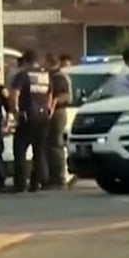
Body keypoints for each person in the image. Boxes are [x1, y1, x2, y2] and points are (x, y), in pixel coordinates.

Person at [8, 49, 51, 192]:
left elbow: (14, 93)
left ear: (25, 61)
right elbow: (50, 93)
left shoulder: (23, 75)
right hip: (43, 116)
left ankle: (20, 184)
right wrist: (48, 109)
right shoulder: (45, 74)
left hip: (27, 115)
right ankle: (35, 184)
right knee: (39, 151)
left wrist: (14, 111)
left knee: (19, 150)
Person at [46, 54, 74, 189]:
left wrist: (52, 105)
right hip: (54, 112)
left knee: (55, 145)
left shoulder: (58, 77)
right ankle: (51, 178)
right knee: (50, 146)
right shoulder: (54, 76)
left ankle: (59, 179)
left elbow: (65, 96)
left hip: (57, 113)